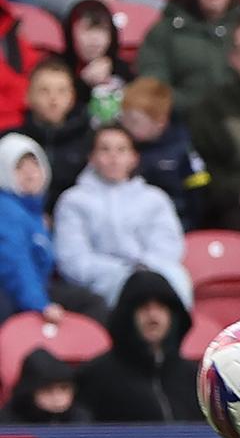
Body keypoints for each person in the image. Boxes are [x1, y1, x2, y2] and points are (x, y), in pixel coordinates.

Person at [51, 123, 191, 312]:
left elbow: (169, 246)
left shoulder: (154, 198)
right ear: (91, 158)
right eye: (105, 149)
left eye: (121, 149)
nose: (113, 157)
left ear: (134, 158)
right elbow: (73, 259)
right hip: (104, 282)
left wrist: (144, 268)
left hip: (153, 272)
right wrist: (122, 272)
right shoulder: (73, 201)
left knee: (176, 277)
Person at [74, 269, 202, 422]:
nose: (153, 316)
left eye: (161, 307)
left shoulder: (195, 379)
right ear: (127, 316)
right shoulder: (96, 376)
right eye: (144, 308)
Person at [117, 77, 204, 228]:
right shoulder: (121, 143)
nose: (127, 126)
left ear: (160, 122)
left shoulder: (182, 148)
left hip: (174, 222)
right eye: (124, 118)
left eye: (135, 121)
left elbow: (198, 192)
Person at [7, 59, 88, 197]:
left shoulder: (89, 138)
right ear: (27, 95)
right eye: (44, 91)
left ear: (72, 97)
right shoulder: (10, 142)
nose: (53, 99)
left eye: (62, 91)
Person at [0, 131, 57, 321]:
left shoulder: (33, 211)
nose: (30, 173)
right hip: (13, 294)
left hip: (33, 288)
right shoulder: (7, 210)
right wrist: (40, 305)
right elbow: (16, 263)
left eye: (35, 164)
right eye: (19, 167)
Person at [2, 346, 88, 423]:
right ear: (30, 393)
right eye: (48, 390)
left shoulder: (79, 419)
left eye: (64, 389)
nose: (57, 398)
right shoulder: (7, 423)